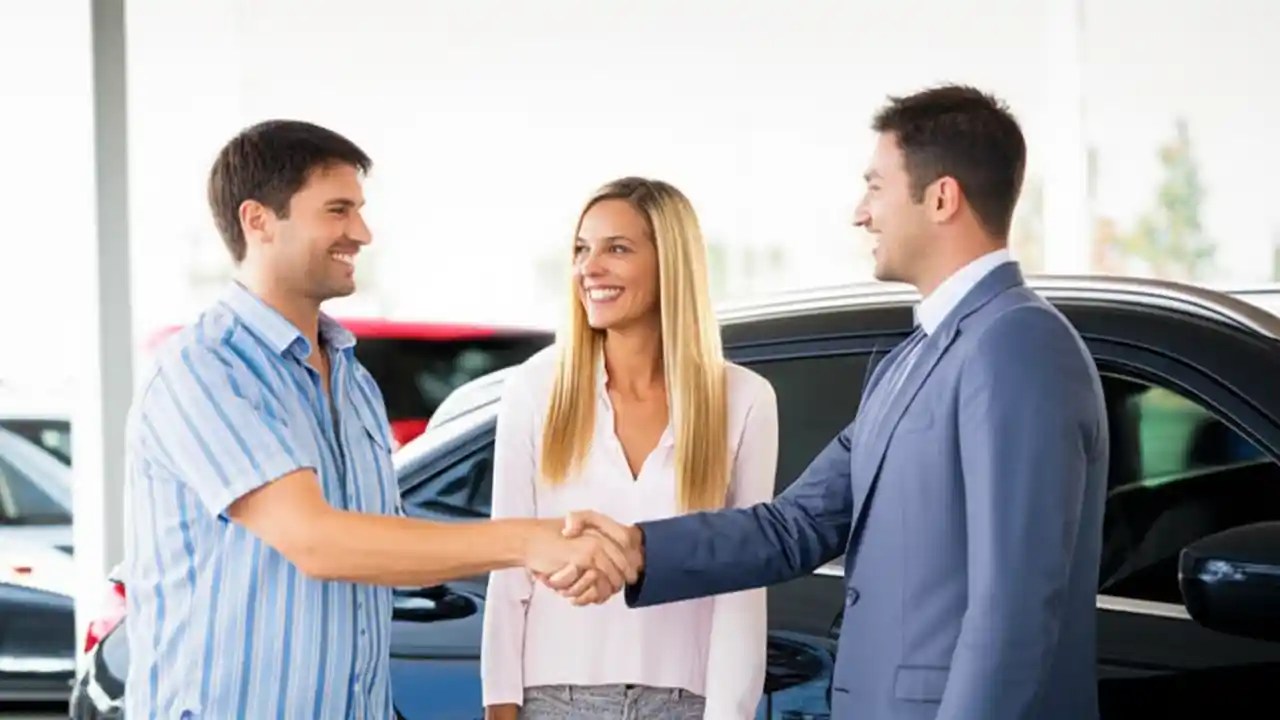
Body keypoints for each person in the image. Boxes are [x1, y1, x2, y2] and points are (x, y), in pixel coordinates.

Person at [550, 86, 1110, 720]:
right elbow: (796, 526)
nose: (860, 213)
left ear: (942, 198)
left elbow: (1015, 607)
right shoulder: (915, 358)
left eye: (875, 187)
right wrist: (637, 547)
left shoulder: (1018, 345)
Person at [120, 119, 637, 719]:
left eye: (359, 211)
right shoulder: (207, 369)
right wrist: (530, 541)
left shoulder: (351, 378)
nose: (361, 233)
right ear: (257, 220)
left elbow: (385, 559)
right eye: (338, 211)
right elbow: (317, 542)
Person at [481, 177, 776, 720]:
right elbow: (509, 561)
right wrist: (499, 706)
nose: (589, 268)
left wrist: (728, 713)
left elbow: (742, 587)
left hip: (686, 704)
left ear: (672, 263)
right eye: (581, 249)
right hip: (554, 701)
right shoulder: (534, 388)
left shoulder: (745, 400)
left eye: (616, 248)